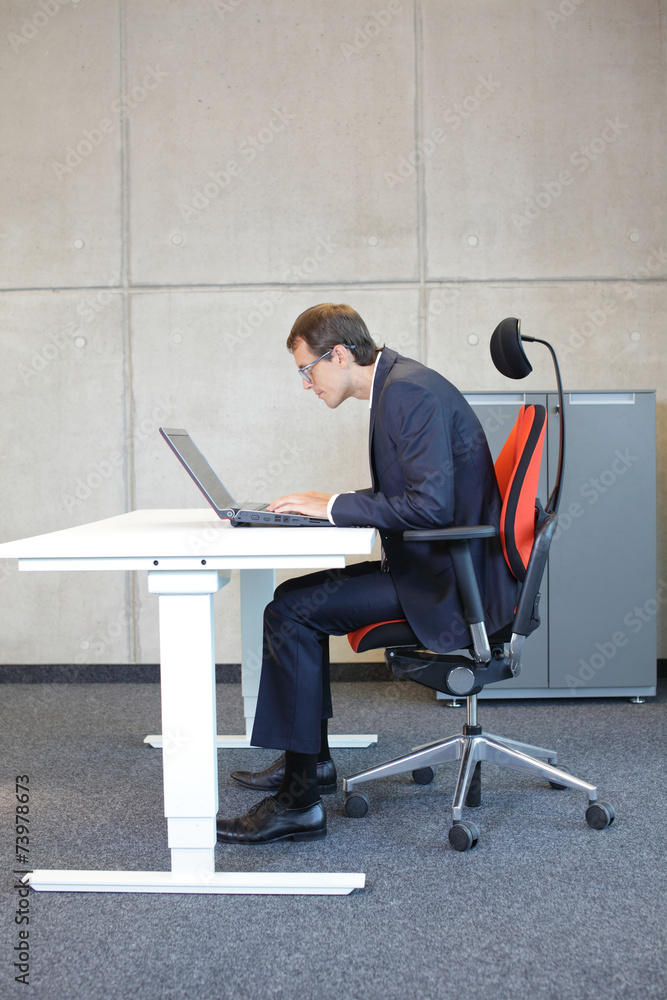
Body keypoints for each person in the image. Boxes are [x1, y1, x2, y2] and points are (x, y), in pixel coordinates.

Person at [216, 303, 518, 845]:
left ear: (338, 355)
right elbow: (418, 495)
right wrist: (329, 502)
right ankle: (311, 764)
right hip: (438, 569)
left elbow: (429, 507)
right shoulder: (398, 385)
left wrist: (334, 506)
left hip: (448, 586)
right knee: (290, 598)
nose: (306, 385)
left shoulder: (408, 393)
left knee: (291, 613)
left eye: (307, 370)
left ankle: (298, 804)